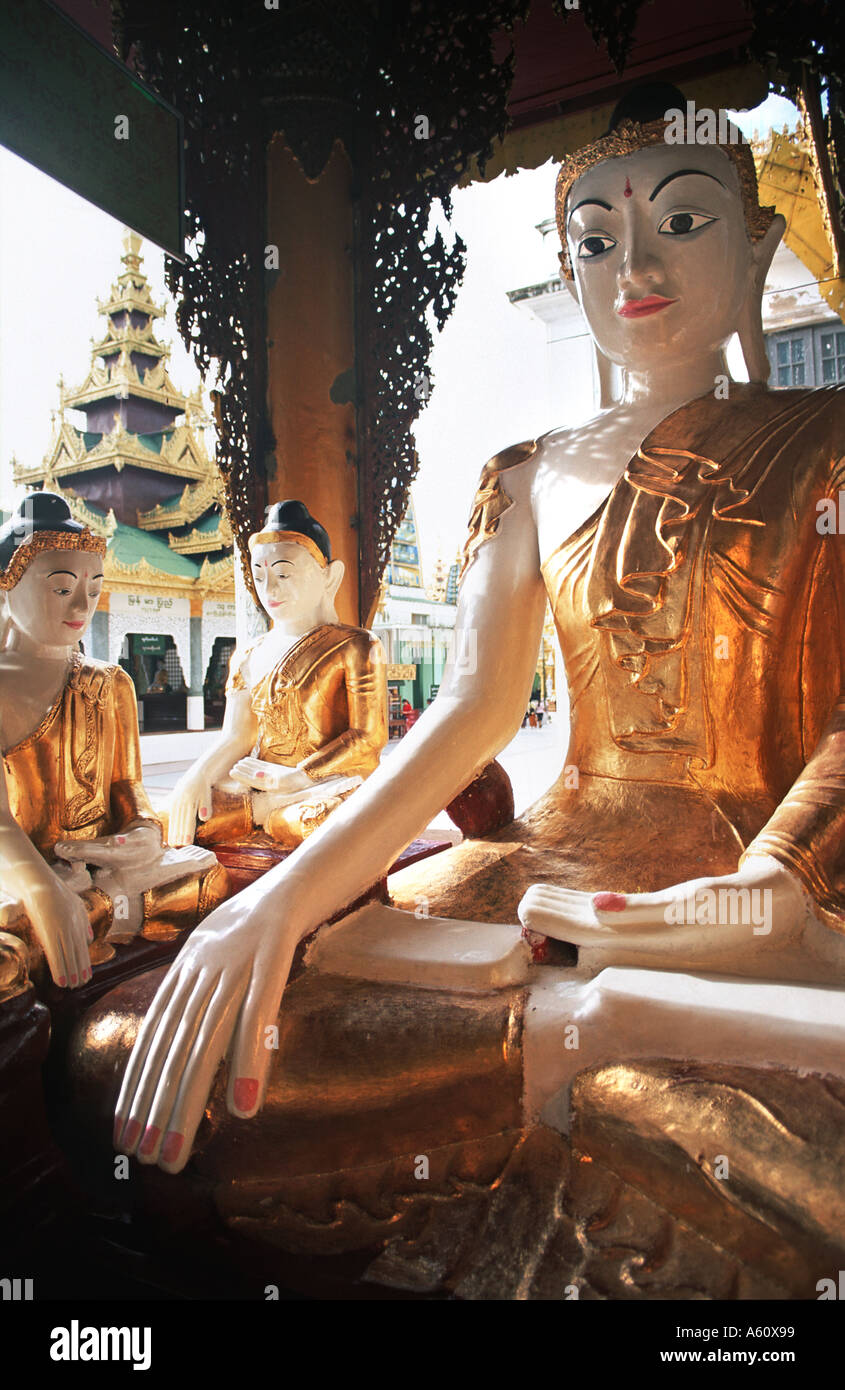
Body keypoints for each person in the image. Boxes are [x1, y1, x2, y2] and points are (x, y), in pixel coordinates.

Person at [108, 83, 845, 1174]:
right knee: (118, 1049)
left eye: (681, 223)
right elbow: (469, 711)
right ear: (566, 273)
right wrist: (281, 895)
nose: (634, 269)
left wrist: (777, 882)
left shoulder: (826, 435)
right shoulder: (524, 472)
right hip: (548, 858)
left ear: (758, 247)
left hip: (754, 864)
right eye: (595, 242)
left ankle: (599, 1059)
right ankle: (587, 1063)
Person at [0, 493, 227, 989]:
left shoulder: (110, 683)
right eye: (62, 587)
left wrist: (138, 836)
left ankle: (90, 913)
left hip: (105, 868)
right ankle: (82, 916)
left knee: (208, 877)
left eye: (94, 587)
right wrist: (43, 890)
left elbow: (129, 790)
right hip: (22, 877)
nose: (82, 605)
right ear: (5, 589)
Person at [166, 499, 387, 850]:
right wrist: (196, 777)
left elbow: (368, 738)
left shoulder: (357, 645)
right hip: (262, 785)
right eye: (259, 576)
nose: (269, 589)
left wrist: (297, 777)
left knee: (319, 821)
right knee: (177, 815)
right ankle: (261, 813)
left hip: (326, 785)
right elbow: (237, 737)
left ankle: (262, 813)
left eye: (283, 574)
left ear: (330, 576)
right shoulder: (250, 653)